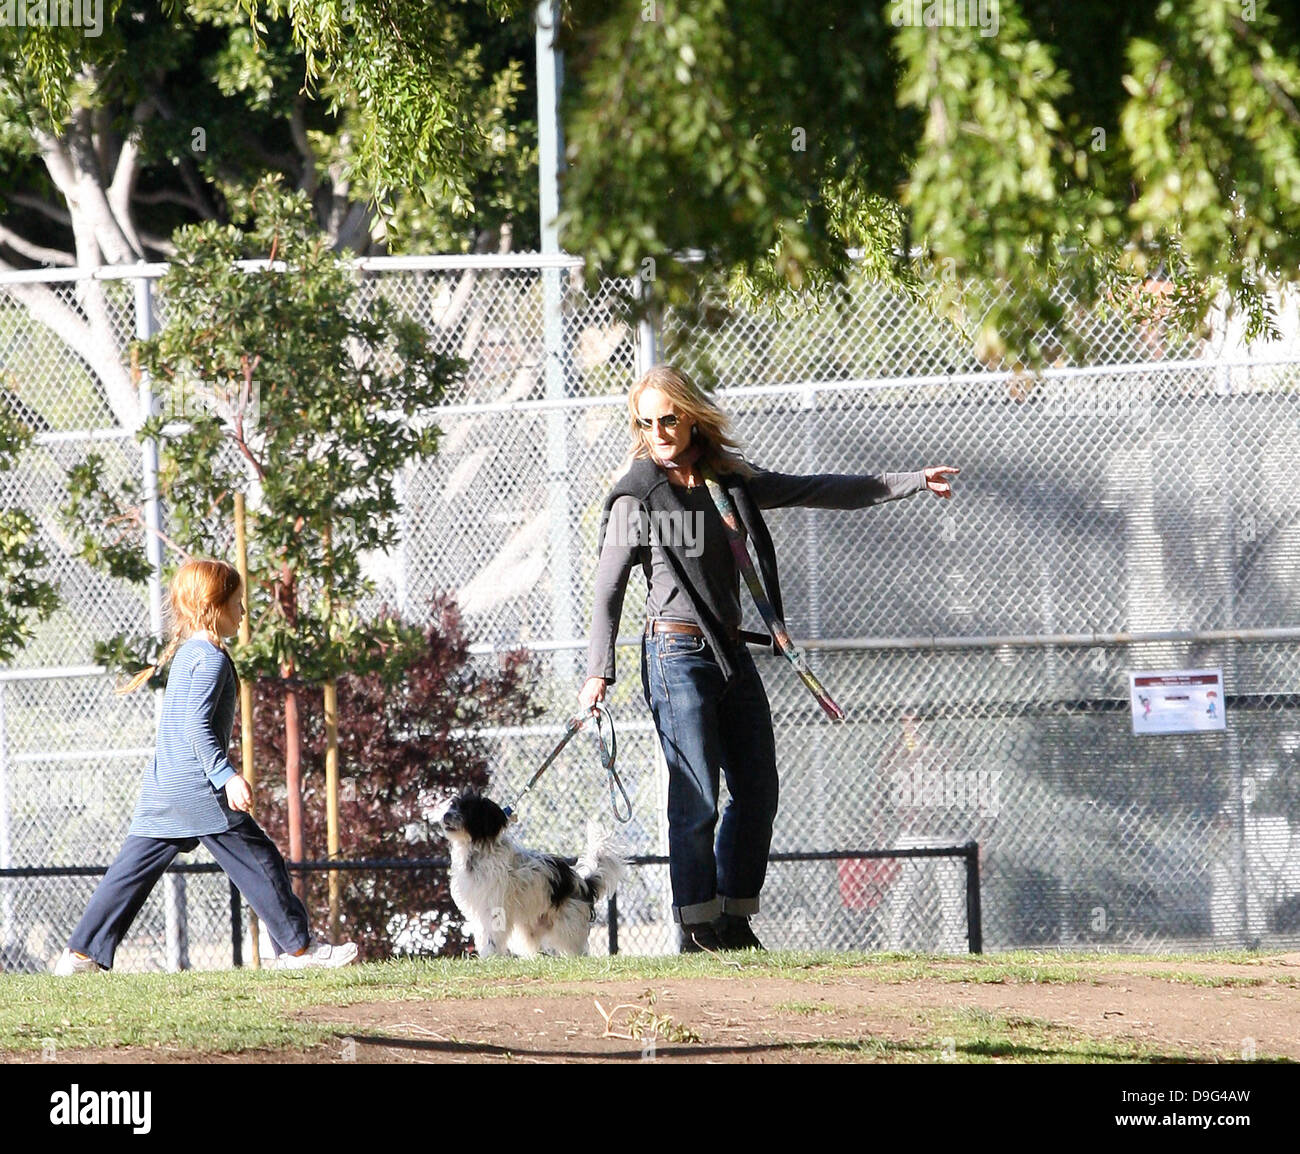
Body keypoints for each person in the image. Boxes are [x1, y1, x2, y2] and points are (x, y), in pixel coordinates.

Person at [580, 365, 958, 953]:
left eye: (668, 419)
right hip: (675, 652)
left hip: (731, 650)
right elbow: (607, 588)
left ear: (691, 415)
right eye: (646, 422)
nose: (658, 431)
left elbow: (814, 488)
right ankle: (697, 926)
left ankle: (732, 918)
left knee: (757, 789)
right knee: (697, 793)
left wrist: (908, 480)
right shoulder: (637, 495)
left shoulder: (727, 479)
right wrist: (597, 671)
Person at [54, 558, 357, 974]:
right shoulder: (210, 660)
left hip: (165, 788)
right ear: (213, 606)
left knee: (131, 874)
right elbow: (197, 726)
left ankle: (80, 954)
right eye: (237, 603)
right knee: (261, 860)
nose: (244, 612)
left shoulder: (188, 654)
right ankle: (297, 950)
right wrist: (225, 776)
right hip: (200, 791)